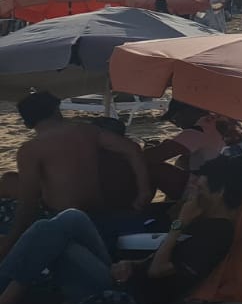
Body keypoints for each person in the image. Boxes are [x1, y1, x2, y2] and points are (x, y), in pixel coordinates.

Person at [0, 154, 242, 304]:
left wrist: (179, 224)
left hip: (131, 296)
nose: (192, 190)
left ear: (220, 191)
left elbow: (159, 270)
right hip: (126, 277)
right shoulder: (201, 216)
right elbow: (153, 261)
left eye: (199, 185)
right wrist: (132, 263)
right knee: (72, 218)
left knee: (58, 241)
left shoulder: (218, 233)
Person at [0, 92, 152, 263]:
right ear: (56, 111)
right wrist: (144, 191)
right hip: (96, 211)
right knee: (10, 180)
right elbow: (133, 149)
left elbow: (28, 203)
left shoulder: (31, 149)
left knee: (6, 200)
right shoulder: (88, 131)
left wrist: (9, 244)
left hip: (60, 218)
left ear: (27, 123)